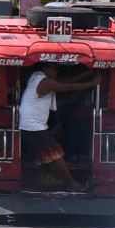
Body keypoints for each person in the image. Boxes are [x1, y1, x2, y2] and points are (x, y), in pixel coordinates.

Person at [18, 63, 102, 191]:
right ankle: (72, 184)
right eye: (54, 69)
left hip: (32, 126)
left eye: (58, 69)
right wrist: (93, 83)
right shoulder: (45, 82)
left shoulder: (37, 77)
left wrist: (87, 73)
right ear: (45, 68)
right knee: (56, 153)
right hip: (33, 127)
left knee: (49, 157)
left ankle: (63, 182)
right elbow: (69, 86)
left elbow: (65, 81)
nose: (57, 72)